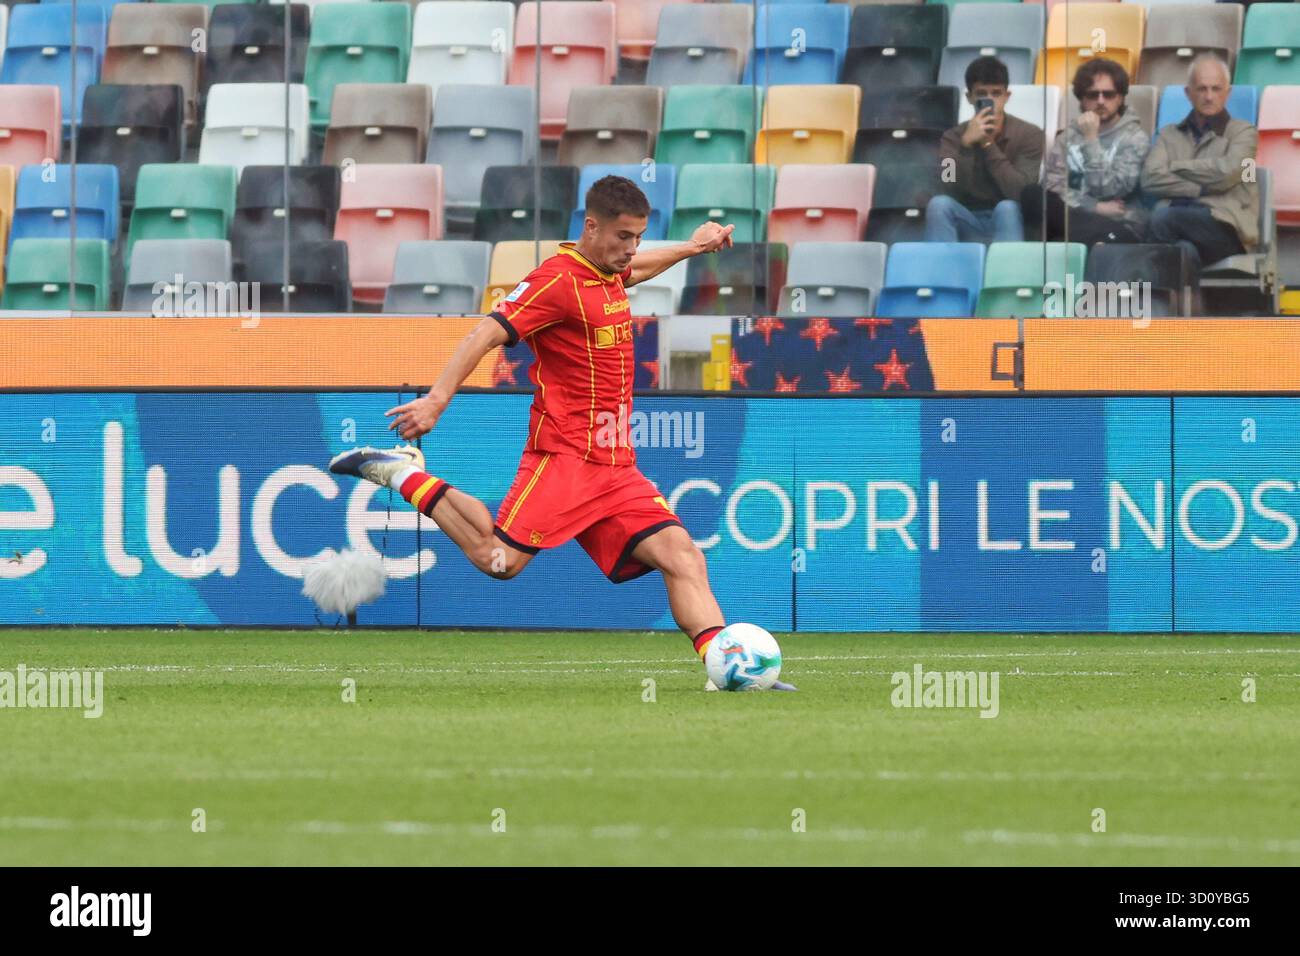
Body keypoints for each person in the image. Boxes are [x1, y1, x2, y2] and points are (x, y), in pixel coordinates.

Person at [328, 175, 796, 690]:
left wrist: (691, 246)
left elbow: (635, 268)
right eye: (622, 236)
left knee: (681, 554)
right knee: (498, 561)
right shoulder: (556, 281)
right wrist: (437, 400)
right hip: (566, 456)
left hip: (617, 466)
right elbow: (486, 331)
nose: (631, 248)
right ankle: (403, 475)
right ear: (590, 227)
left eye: (639, 236)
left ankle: (723, 666)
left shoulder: (610, 271)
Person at [1140, 54, 1259, 271]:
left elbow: (1227, 173)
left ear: (1228, 93)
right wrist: (1199, 188)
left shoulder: (1244, 133)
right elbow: (1149, 178)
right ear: (1188, 93)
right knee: (1184, 251)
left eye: (1216, 89)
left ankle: (1151, 298)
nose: (1209, 96)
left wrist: (1175, 166)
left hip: (1225, 227)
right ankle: (1184, 303)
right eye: (1202, 89)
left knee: (1163, 218)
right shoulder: (1169, 134)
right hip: (1181, 226)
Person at [1021, 58, 1148, 244]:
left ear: (1120, 97)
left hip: (1117, 225)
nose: (1101, 101)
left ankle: (1067, 242)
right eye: (1092, 95)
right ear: (1082, 99)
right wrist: (1094, 206)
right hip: (1077, 218)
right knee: (1032, 194)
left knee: (1072, 236)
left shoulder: (1135, 138)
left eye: (1109, 94)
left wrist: (1091, 140)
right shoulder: (1068, 137)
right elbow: (1053, 186)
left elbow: (1112, 190)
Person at [927, 56, 1042, 243]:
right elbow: (945, 185)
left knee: (1007, 208)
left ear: (1007, 96)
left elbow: (1020, 192)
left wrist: (988, 144)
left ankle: (1009, 270)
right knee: (939, 205)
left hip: (1011, 219)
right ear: (969, 97)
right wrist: (964, 147)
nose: (989, 101)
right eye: (981, 94)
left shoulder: (1030, 134)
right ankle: (942, 269)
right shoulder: (952, 138)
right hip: (966, 217)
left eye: (996, 94)